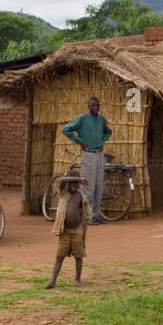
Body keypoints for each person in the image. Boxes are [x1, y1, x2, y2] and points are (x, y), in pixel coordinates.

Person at [62, 96, 112, 224]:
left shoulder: (101, 120)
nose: (96, 108)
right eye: (94, 105)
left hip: (100, 155)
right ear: (88, 107)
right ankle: (87, 215)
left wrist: (103, 140)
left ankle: (96, 215)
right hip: (88, 155)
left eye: (98, 105)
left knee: (99, 186)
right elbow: (66, 129)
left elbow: (108, 132)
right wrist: (79, 141)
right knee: (88, 186)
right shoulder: (82, 119)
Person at [44, 174, 93, 289]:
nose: (74, 185)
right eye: (71, 183)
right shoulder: (63, 193)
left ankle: (77, 279)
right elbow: (62, 180)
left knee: (78, 256)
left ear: (79, 185)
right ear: (68, 184)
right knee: (59, 257)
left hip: (77, 231)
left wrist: (83, 229)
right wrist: (79, 178)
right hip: (64, 231)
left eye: (76, 183)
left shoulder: (80, 196)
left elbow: (85, 214)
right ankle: (52, 280)